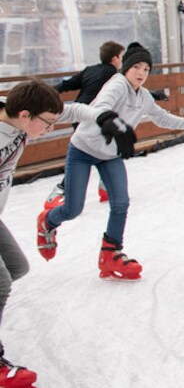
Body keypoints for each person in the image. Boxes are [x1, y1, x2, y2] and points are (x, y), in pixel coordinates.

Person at [36, 42, 184, 280]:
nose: (141, 73)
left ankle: (110, 254)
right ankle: (47, 222)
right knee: (73, 209)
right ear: (125, 68)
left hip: (110, 156)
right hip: (82, 149)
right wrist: (112, 123)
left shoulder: (143, 96)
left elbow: (162, 118)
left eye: (146, 68)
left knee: (121, 203)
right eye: (136, 66)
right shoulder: (116, 85)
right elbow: (101, 106)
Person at [1, 80, 107, 387]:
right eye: (46, 125)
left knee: (17, 268)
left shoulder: (25, 113)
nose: (49, 129)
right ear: (24, 116)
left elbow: (70, 110)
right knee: (1, 283)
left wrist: (102, 116)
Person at [45, 41, 163, 209]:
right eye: (122, 57)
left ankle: (103, 187)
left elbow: (67, 84)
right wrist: (154, 95)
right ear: (115, 59)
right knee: (95, 150)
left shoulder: (89, 70)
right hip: (96, 119)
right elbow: (128, 88)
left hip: (80, 116)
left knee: (105, 148)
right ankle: (62, 190)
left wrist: (45, 93)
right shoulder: (115, 76)